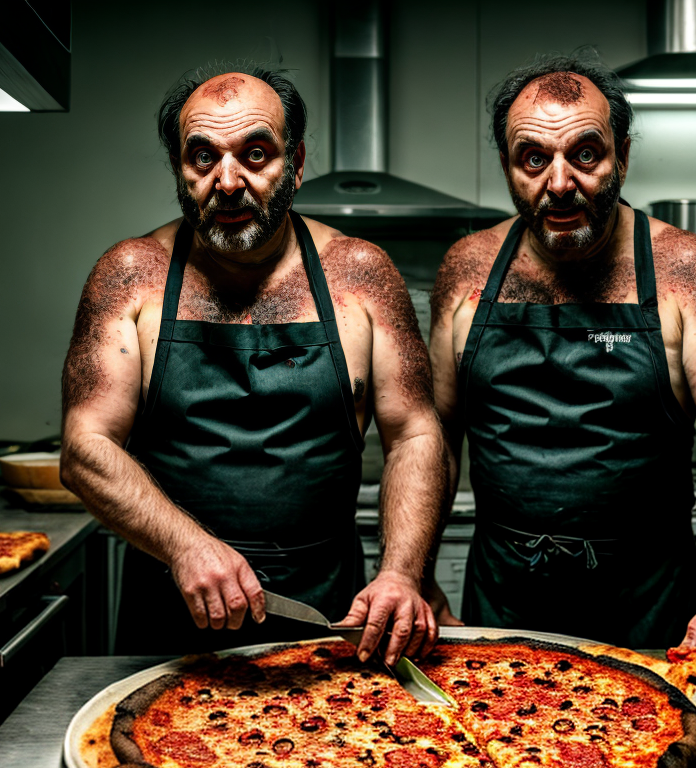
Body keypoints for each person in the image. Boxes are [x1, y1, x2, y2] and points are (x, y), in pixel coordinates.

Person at [60, 63, 446, 665]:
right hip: (171, 618)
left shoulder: (360, 274)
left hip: (325, 616)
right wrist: (186, 545)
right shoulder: (129, 274)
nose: (228, 180)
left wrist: (402, 573)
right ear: (179, 170)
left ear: (295, 164)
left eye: (256, 154)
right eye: (203, 157)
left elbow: (416, 434)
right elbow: (86, 446)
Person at [427, 54, 696, 673]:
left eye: (585, 154)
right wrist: (414, 573)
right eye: (534, 159)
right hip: (501, 610)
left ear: (621, 153)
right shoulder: (467, 268)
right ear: (509, 166)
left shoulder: (687, 270)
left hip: (647, 614)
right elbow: (434, 436)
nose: (560, 183)